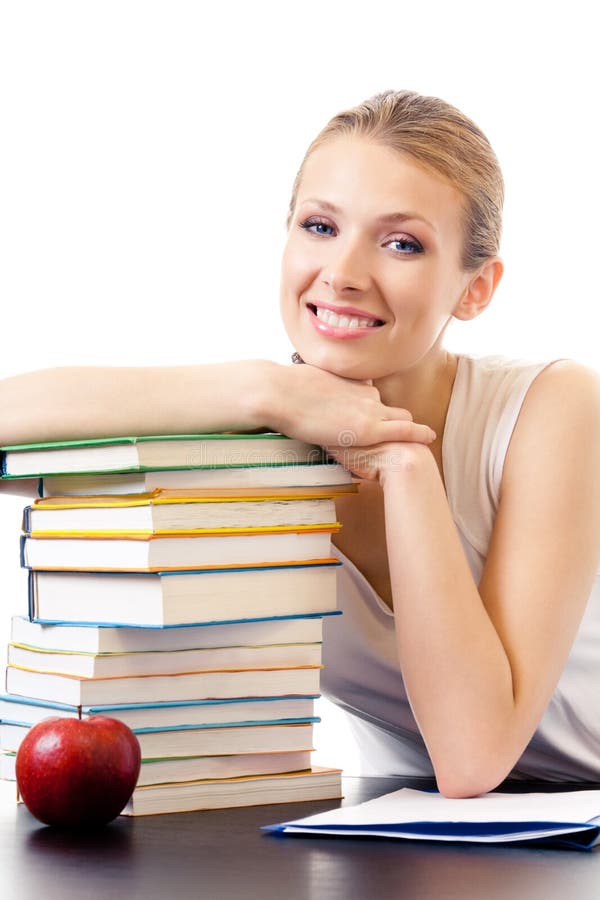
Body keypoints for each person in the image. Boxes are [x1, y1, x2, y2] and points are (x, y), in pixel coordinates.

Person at [1, 90, 599, 797]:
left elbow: (474, 758)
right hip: (429, 833)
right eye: (320, 226)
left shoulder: (552, 409)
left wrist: (404, 463)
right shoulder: (257, 437)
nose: (343, 272)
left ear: (476, 288)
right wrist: (263, 390)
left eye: (401, 243)